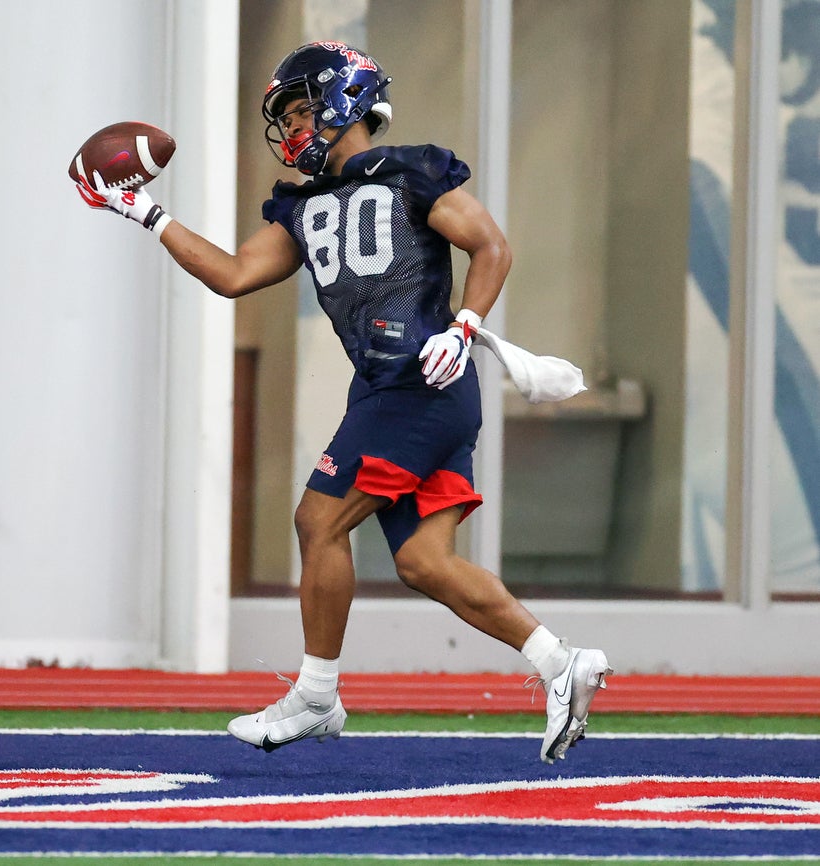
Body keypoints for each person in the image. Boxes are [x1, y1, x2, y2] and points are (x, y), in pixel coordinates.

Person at [75, 40, 612, 764]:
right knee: (423, 560)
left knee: (317, 519)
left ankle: (318, 695)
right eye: (287, 116)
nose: (293, 128)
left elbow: (491, 247)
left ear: (343, 101)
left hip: (423, 382)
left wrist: (466, 324)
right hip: (392, 392)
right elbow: (233, 275)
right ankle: (560, 664)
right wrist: (147, 213)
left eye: (301, 109)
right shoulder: (301, 204)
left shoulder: (412, 171)